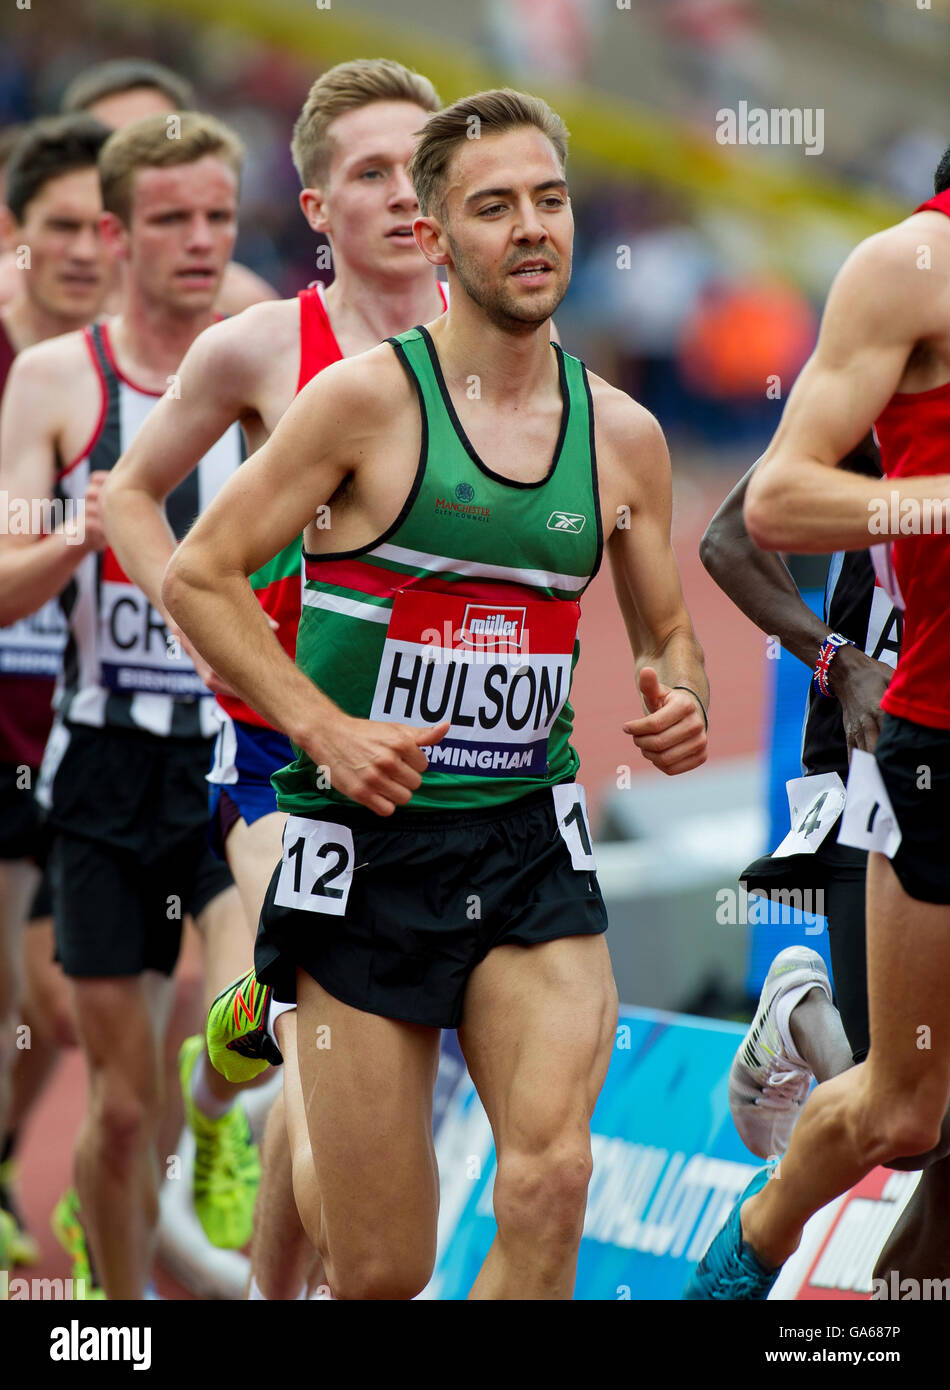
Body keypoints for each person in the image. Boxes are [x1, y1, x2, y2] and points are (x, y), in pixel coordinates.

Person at [165, 87, 709, 1300]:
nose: (532, 228)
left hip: (526, 842)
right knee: (382, 1269)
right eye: (494, 205)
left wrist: (680, 698)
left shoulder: (620, 436)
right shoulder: (361, 403)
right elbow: (199, 574)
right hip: (356, 851)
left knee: (549, 1176)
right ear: (432, 232)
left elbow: (669, 635)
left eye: (552, 200)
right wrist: (322, 729)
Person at [104, 56, 445, 1301]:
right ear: (316, 208)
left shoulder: (510, 353)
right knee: (319, 1099)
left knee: (343, 1113)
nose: (408, 195)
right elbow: (130, 497)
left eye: (425, 165)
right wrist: (198, 622)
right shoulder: (260, 347)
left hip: (452, 783)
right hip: (276, 761)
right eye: (371, 172)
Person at [686, 153, 950, 1299]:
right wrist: (836, 656)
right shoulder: (902, 287)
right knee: (911, 1115)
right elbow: (750, 521)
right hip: (909, 740)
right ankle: (741, 1255)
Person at [0, 112, 253, 1299]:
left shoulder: (267, 363)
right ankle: (119, 1309)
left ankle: (219, 1115)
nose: (199, 242)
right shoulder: (60, 380)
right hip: (102, 764)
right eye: (171, 219)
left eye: (218, 217)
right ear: (113, 235)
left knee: (256, 1000)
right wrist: (77, 535)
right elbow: (2, 588)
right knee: (113, 1102)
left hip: (237, 757)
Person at [0, 113, 112, 1274]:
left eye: (101, 228)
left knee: (54, 999)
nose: (84, 251)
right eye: (59, 229)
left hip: (82, 735)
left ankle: (14, 1147)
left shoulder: (154, 375)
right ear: (12, 236)